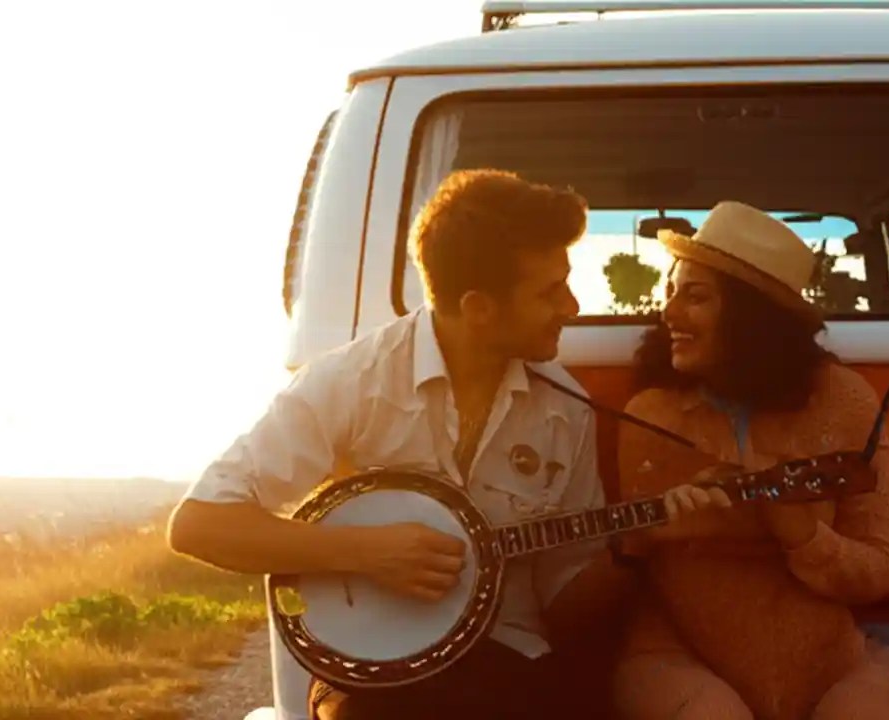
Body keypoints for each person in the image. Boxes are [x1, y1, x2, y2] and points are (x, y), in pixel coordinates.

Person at [167, 169, 629, 719]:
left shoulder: (565, 408)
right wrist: (367, 552)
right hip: (373, 680)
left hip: (513, 663)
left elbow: (566, 595)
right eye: (550, 292)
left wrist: (638, 549)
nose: (571, 307)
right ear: (479, 307)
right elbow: (198, 523)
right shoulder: (351, 382)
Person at [611, 201, 889, 720]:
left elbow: (876, 571)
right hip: (675, 656)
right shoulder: (649, 413)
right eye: (671, 290)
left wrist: (803, 536)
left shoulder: (847, 402)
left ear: (752, 316)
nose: (669, 312)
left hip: (832, 663)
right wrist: (648, 534)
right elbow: (614, 565)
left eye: (695, 296)